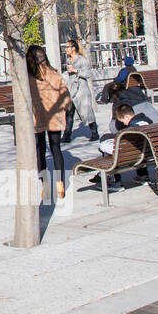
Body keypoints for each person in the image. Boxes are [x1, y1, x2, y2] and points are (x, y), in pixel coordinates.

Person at [26, 45, 72, 200]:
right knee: (56, 148)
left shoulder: (29, 77)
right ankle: (60, 184)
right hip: (55, 117)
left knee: (40, 150)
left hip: (37, 117)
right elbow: (66, 97)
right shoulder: (55, 74)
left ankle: (45, 186)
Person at [62, 38, 98, 143]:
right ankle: (66, 135)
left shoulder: (82, 60)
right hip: (72, 90)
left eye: (67, 47)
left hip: (82, 90)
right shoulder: (69, 60)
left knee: (87, 112)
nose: (66, 49)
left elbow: (88, 74)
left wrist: (76, 70)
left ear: (73, 48)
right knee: (69, 112)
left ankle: (95, 133)